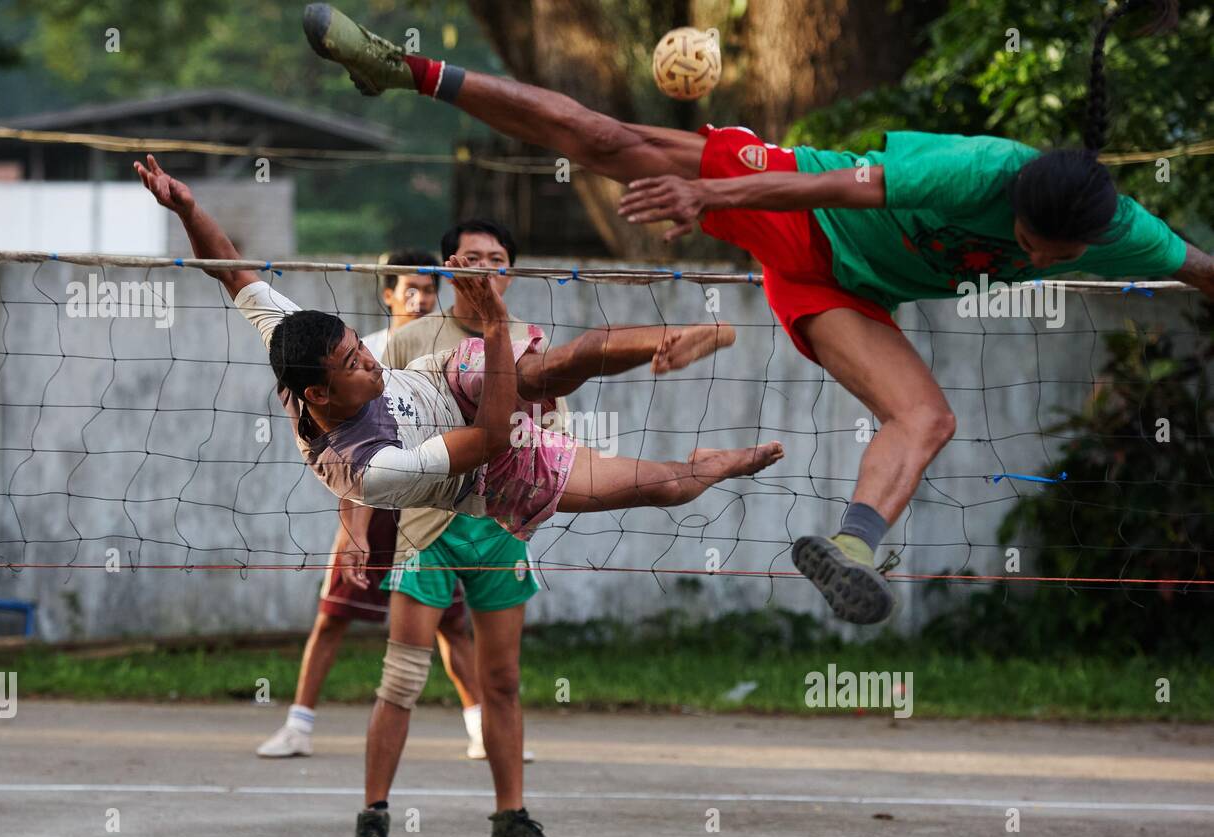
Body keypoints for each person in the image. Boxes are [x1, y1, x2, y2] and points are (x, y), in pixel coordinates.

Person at [302, 0, 1214, 626]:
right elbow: (832, 181)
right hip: (803, 210)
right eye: (1027, 238)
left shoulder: (1125, 234)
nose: (1038, 255)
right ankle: (408, 68)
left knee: (927, 415)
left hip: (841, 294)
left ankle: (853, 551)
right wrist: (714, 198)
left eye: (1053, 251)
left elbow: (1204, 271)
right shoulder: (981, 168)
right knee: (610, 139)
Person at [135, 153, 782, 837]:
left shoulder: (298, 339)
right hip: (485, 473)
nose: (372, 363)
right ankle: (373, 819)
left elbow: (231, 267)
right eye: (355, 367)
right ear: (318, 397)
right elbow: (489, 441)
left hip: (456, 383)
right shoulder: (364, 466)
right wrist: (499, 335)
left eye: (361, 347)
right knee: (661, 486)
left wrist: (186, 207)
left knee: (547, 365)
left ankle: (665, 341)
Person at [347, 218, 563, 837]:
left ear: (510, 272)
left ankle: (511, 822)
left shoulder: (529, 342)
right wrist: (356, 524)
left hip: (497, 530)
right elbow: (361, 436)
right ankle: (374, 820)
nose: (484, 268)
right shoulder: (410, 339)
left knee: (500, 681)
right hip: (427, 528)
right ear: (448, 270)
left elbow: (550, 441)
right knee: (403, 677)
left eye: (496, 259)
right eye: (470, 258)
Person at [256, 250, 489, 760]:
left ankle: (479, 727)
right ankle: (299, 723)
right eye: (411, 288)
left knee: (448, 620)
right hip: (374, 499)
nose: (421, 298)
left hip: (427, 504)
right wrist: (355, 529)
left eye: (429, 289)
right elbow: (353, 459)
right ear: (388, 295)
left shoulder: (443, 351)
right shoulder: (366, 354)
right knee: (334, 613)